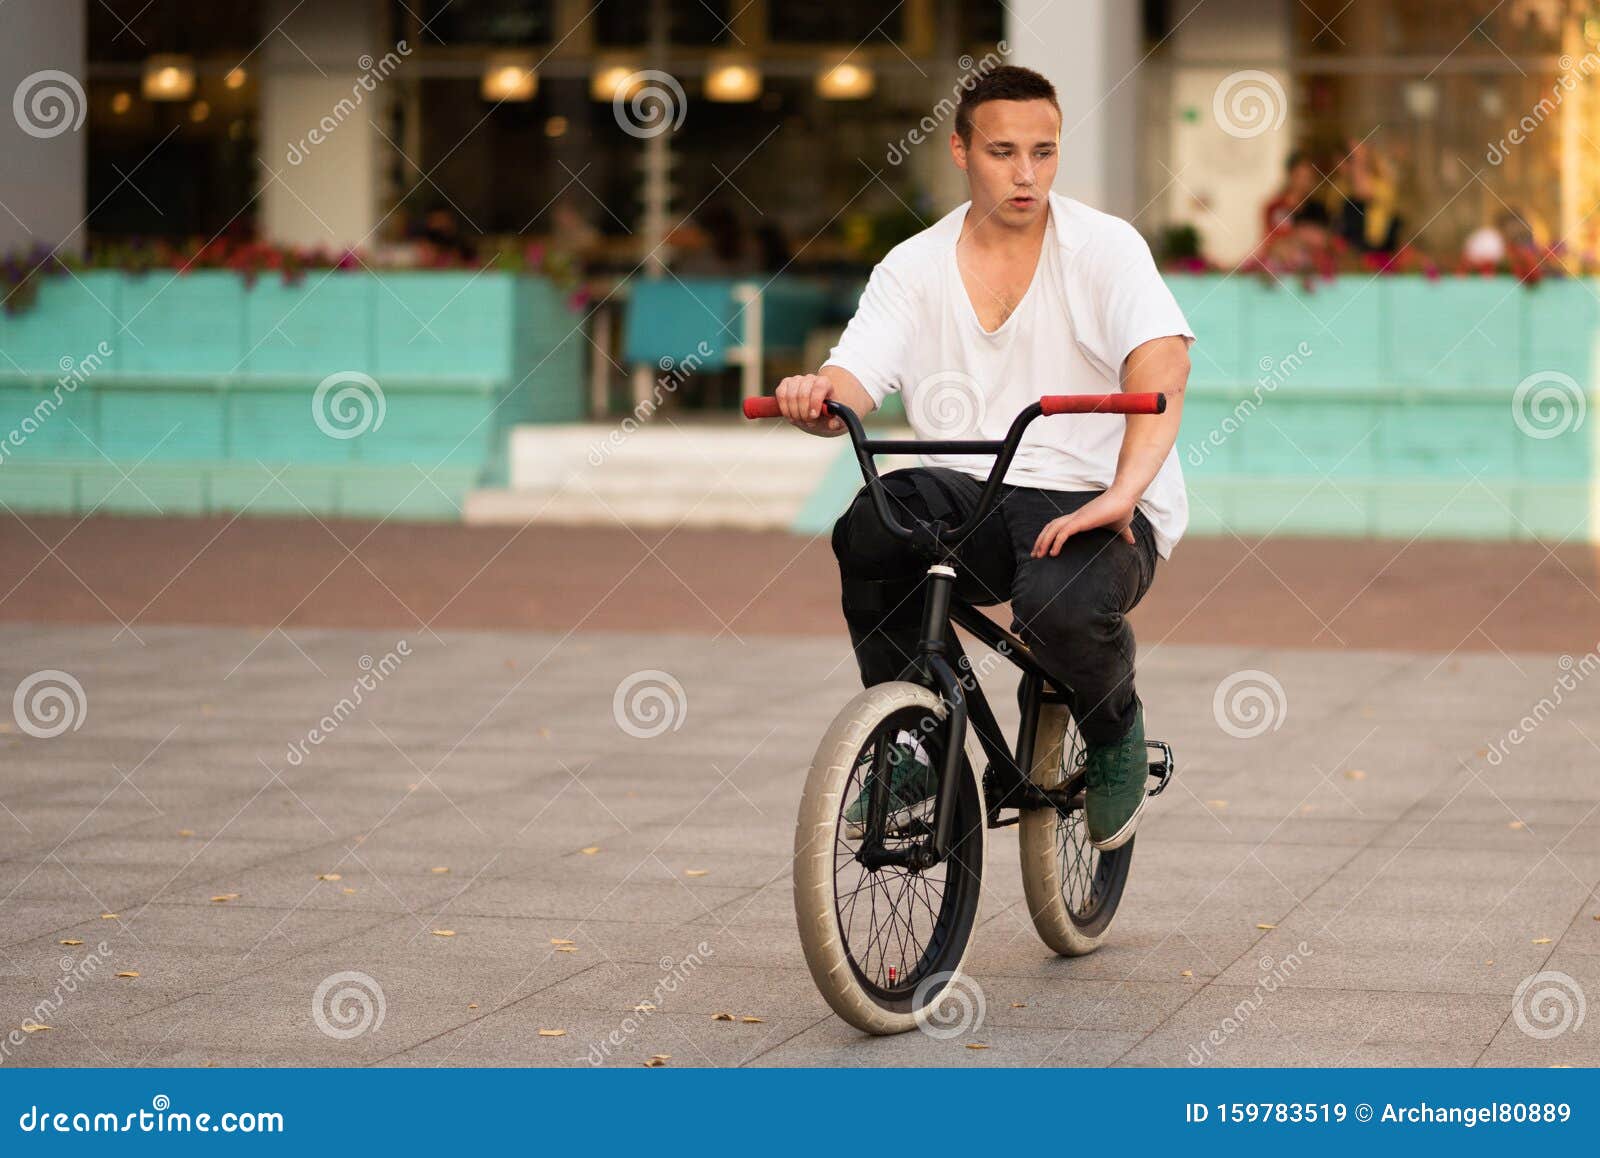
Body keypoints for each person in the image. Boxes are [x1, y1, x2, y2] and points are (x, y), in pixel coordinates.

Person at [773, 65, 1193, 850]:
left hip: (1091, 496)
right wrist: (818, 398)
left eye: (1045, 151)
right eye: (1004, 151)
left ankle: (1114, 727)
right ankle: (916, 746)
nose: (1027, 173)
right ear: (961, 151)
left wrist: (1124, 492)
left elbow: (1162, 364)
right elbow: (854, 376)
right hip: (978, 494)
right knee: (872, 522)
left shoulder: (1105, 247)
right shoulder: (913, 265)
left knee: (1058, 608)